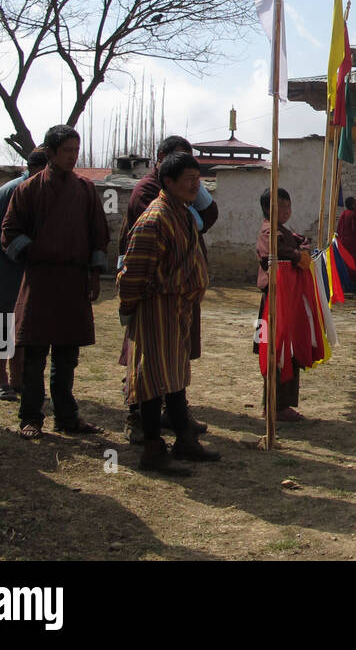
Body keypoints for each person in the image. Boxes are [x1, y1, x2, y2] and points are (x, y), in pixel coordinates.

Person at [2, 125, 110, 438]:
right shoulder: (28, 190)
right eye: (67, 152)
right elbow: (10, 233)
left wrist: (94, 273)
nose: (72, 157)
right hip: (41, 280)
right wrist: (36, 252)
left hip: (73, 281)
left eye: (76, 151)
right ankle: (31, 418)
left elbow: (97, 233)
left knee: (66, 357)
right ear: (49, 153)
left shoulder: (85, 189)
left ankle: (66, 417)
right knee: (34, 356)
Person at [117, 152, 217, 474]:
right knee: (151, 380)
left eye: (197, 180)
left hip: (178, 310)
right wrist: (129, 310)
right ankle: (152, 448)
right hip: (156, 310)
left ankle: (184, 441)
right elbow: (133, 273)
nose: (194, 186)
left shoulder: (184, 214)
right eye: (189, 180)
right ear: (169, 182)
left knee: (175, 378)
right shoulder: (154, 219)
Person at [0, 148, 48, 400]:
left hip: (30, 271)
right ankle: (0, 382)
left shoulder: (48, 193)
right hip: (3, 269)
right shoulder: (7, 193)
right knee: (0, 325)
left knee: (21, 327)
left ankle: (18, 381)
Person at [256, 187, 312, 421]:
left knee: (288, 352)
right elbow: (279, 251)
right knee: (274, 350)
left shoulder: (282, 230)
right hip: (273, 301)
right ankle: (274, 405)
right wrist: (299, 256)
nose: (287, 211)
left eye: (289, 206)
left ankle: (283, 404)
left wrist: (302, 248)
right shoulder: (269, 232)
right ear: (270, 209)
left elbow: (299, 240)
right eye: (282, 207)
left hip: (288, 298)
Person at [334, 195, 356, 290]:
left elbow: (339, 228)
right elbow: (355, 229)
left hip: (344, 243)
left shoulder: (344, 213)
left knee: (346, 263)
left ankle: (346, 284)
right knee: (355, 264)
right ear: (352, 205)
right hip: (353, 244)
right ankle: (355, 285)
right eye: (355, 202)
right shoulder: (353, 214)